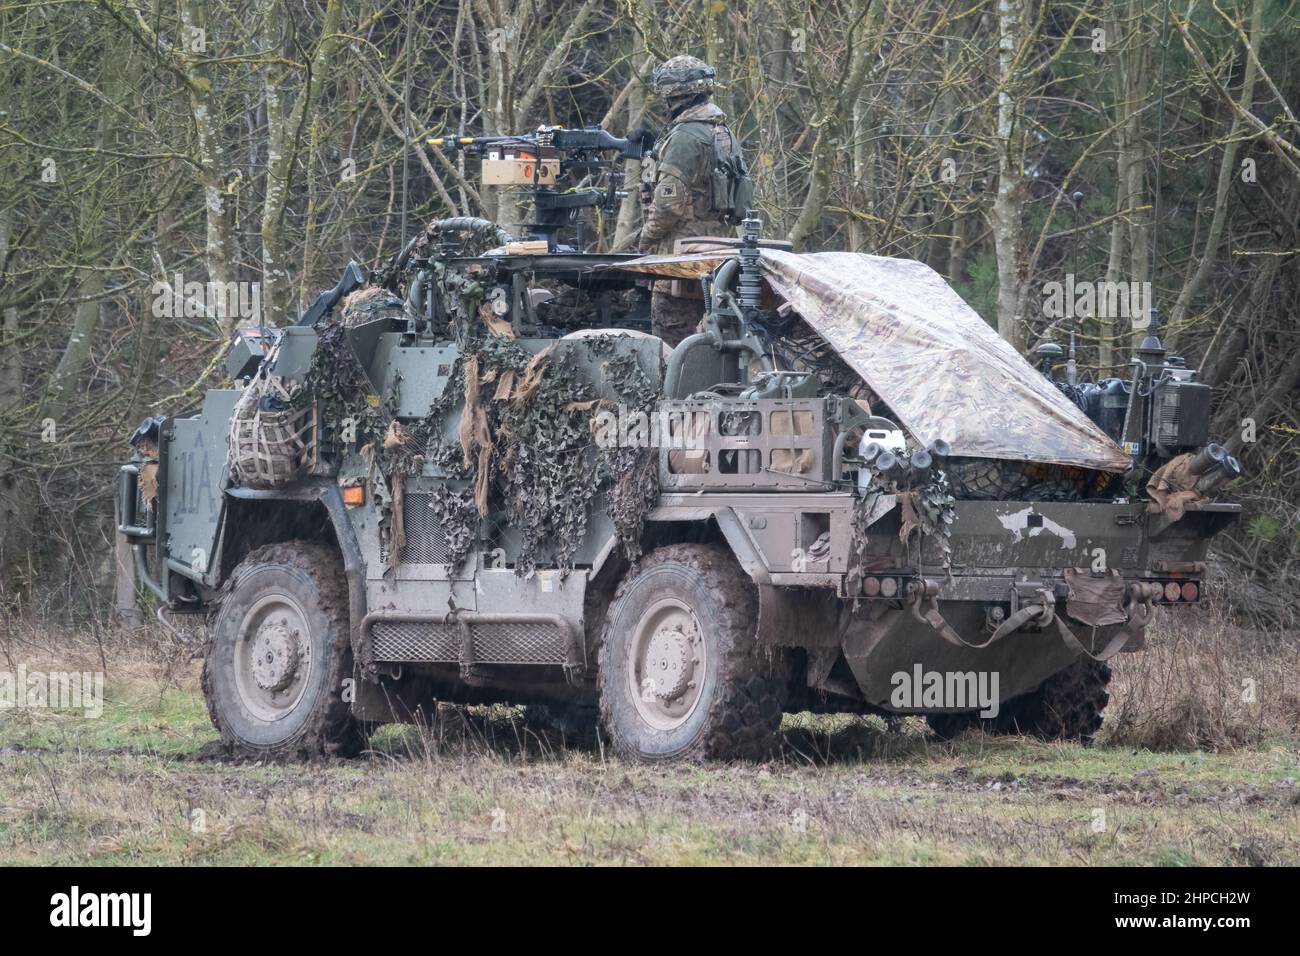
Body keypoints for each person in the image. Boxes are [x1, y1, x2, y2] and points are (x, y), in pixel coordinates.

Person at [640, 55, 747, 346]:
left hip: (681, 260)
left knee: (670, 347)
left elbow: (667, 206)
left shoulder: (685, 137)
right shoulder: (722, 131)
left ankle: (673, 394)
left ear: (673, 95)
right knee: (714, 345)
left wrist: (645, 240)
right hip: (720, 254)